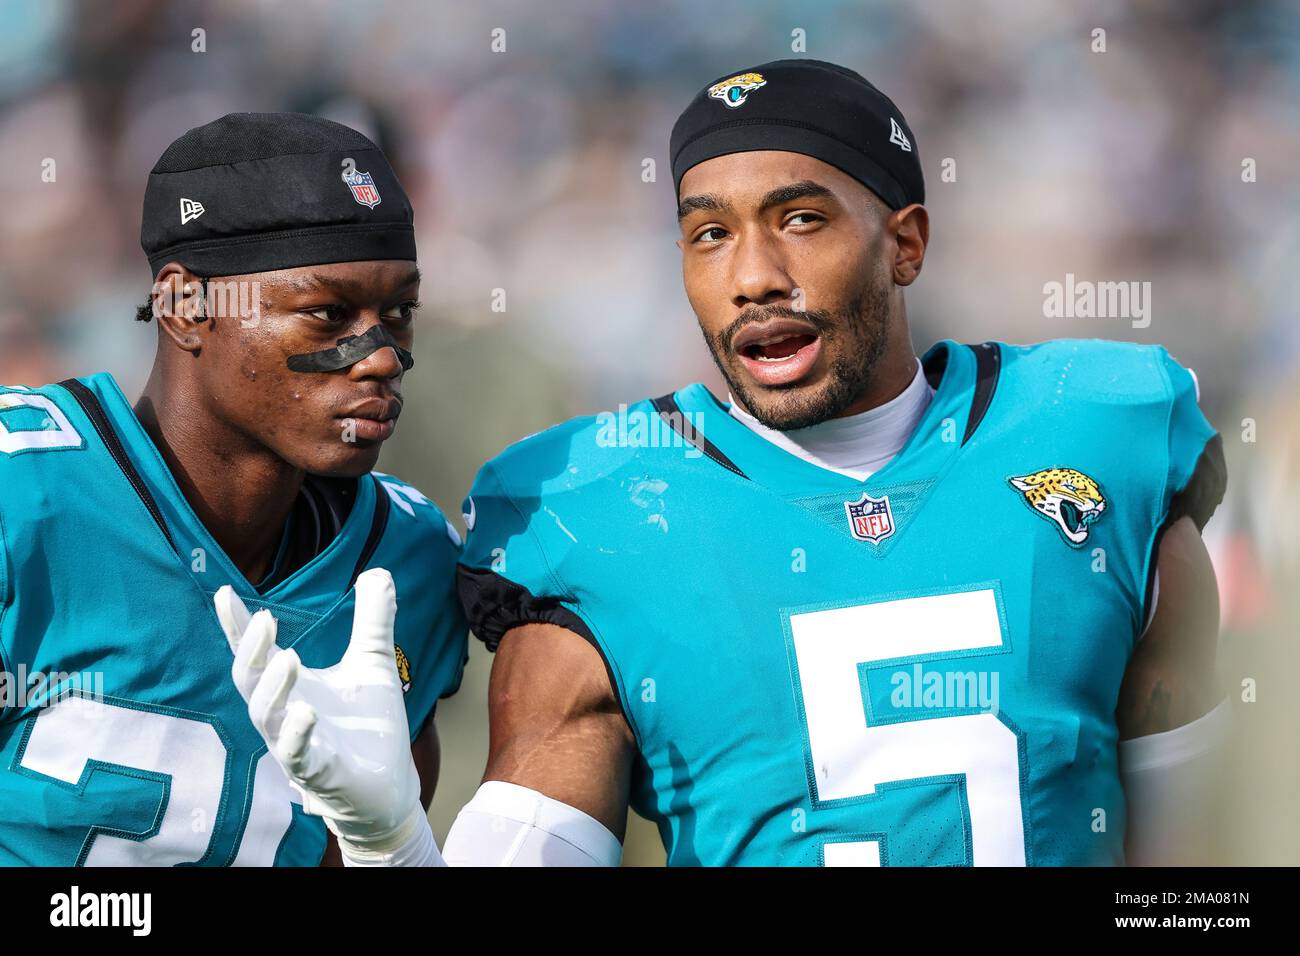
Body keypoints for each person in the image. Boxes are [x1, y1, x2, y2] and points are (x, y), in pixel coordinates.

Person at [230, 61, 1229, 866]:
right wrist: (391, 841)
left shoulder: (1095, 432)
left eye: (801, 219)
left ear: (906, 242)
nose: (752, 276)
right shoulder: (600, 511)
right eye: (708, 234)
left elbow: (1194, 859)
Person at [0, 112, 466, 866]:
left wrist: (393, 846)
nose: (380, 357)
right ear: (186, 308)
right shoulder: (23, 492)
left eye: (398, 314)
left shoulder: (405, 558)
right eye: (328, 314)